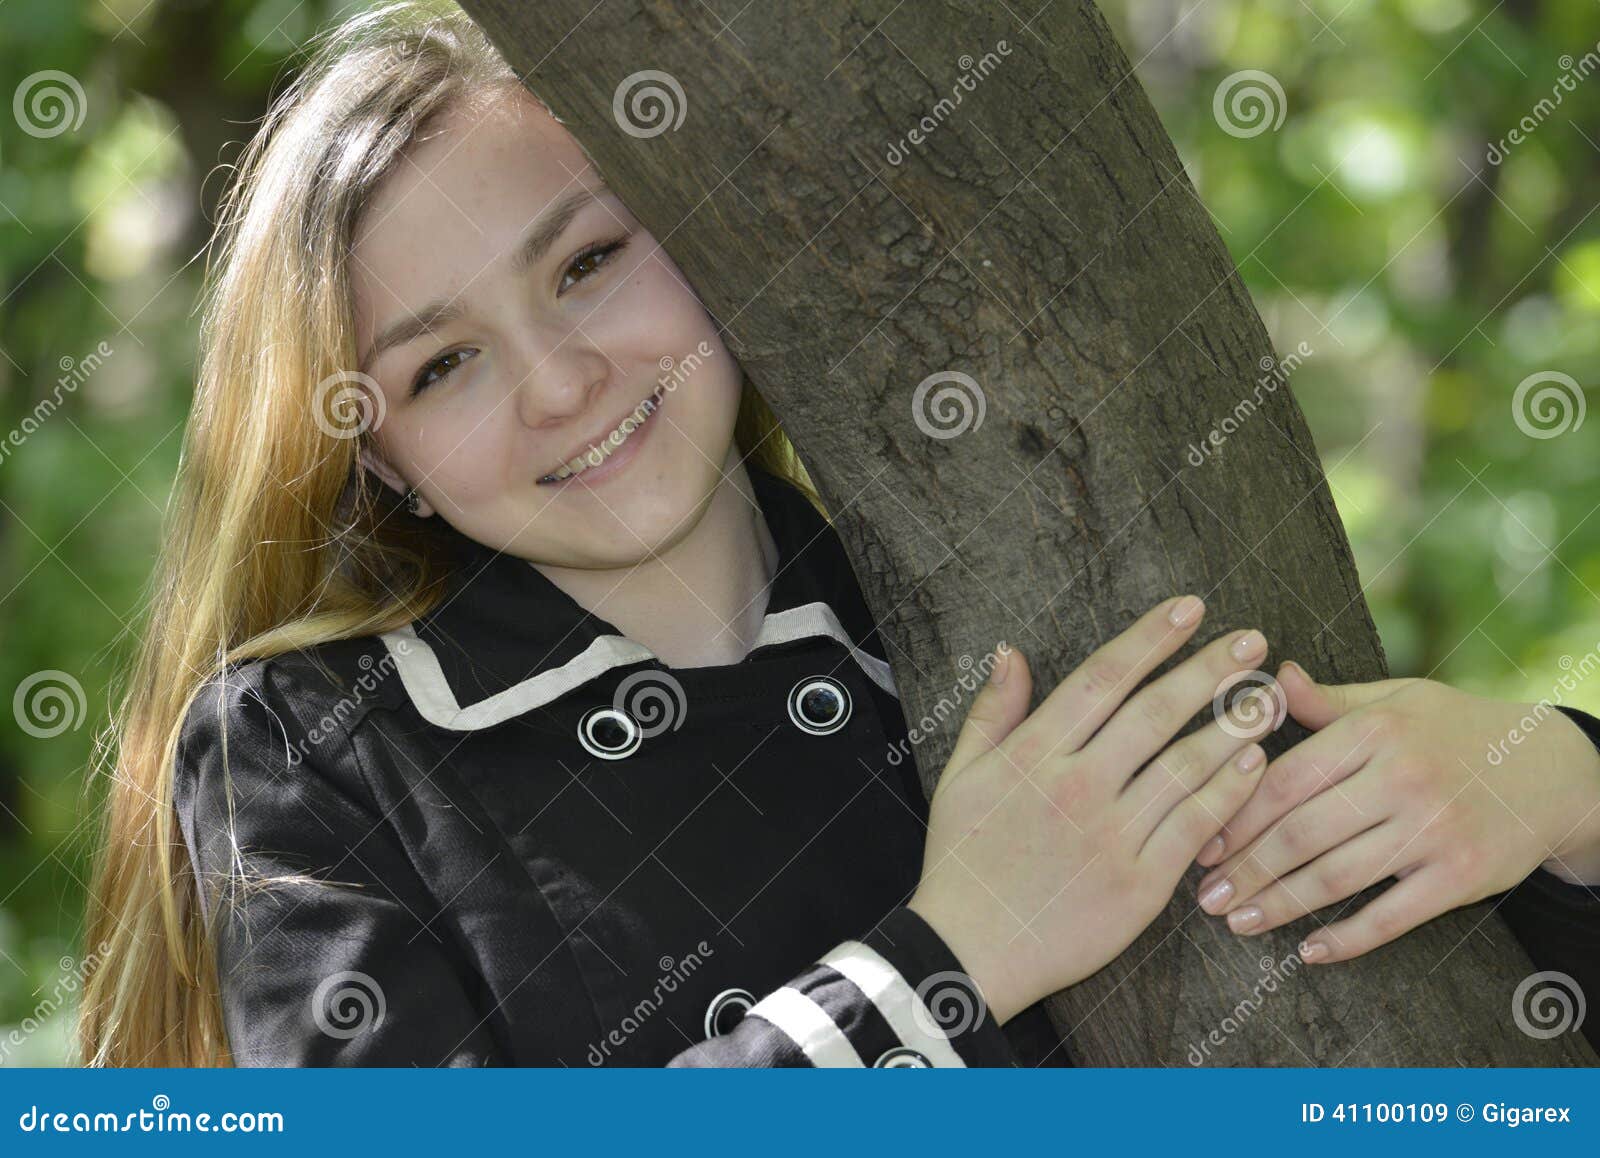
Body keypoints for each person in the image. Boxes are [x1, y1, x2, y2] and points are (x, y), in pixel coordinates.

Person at [76, 1, 1600, 1067]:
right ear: (377, 449)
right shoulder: (316, 741)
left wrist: (1552, 783)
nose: (562, 383)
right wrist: (956, 956)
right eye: (441, 365)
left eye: (592, 260)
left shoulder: (986, 578)